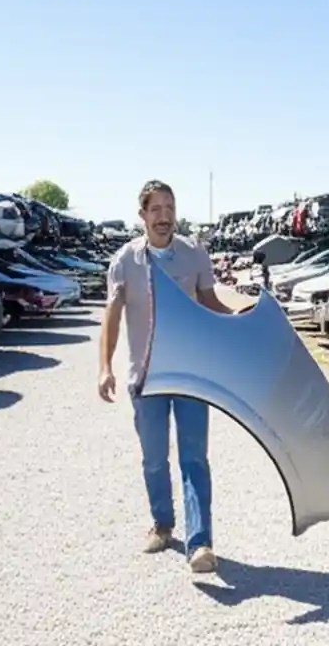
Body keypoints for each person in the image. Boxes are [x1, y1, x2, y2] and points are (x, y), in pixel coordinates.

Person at [98, 179, 238, 574]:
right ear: (142, 215)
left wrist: (246, 327)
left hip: (190, 375)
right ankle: (162, 524)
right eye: (155, 209)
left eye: (169, 208)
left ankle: (201, 543)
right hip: (145, 379)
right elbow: (111, 316)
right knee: (154, 459)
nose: (164, 216)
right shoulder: (125, 261)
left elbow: (211, 304)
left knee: (195, 458)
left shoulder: (195, 254)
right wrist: (105, 367)